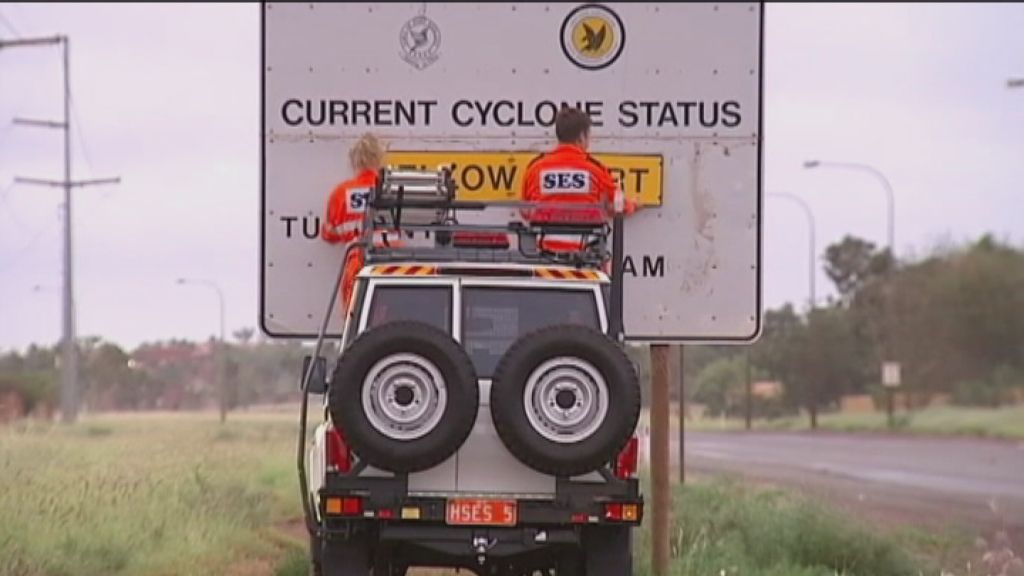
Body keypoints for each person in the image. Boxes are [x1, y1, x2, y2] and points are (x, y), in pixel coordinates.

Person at [521, 107, 637, 252]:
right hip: (586, 252)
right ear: (581, 137)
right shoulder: (595, 169)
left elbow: (525, 210)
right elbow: (618, 205)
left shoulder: (535, 168)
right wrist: (634, 204)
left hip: (545, 250)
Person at [321, 133, 386, 312]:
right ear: (380, 159)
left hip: (357, 264)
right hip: (391, 266)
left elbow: (329, 234)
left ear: (354, 161)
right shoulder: (392, 189)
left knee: (356, 319)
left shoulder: (341, 193)